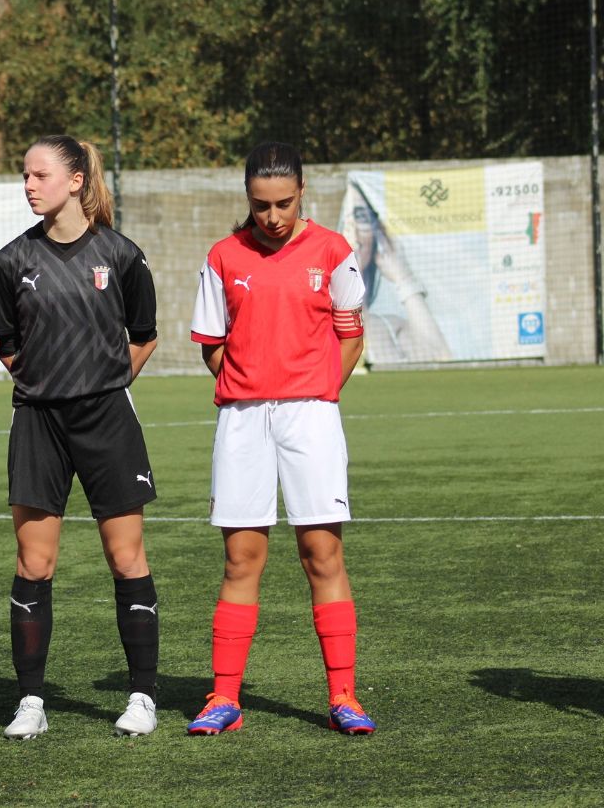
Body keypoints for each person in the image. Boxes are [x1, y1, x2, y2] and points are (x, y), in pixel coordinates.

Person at [186, 141, 376, 736]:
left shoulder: (332, 251)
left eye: (284, 204)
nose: (272, 217)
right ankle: (223, 699)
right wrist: (249, 385)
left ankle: (344, 696)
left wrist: (320, 390)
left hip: (310, 419)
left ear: (302, 195)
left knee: (322, 553)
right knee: (242, 558)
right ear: (248, 199)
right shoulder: (222, 256)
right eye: (261, 205)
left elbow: (351, 332)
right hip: (242, 419)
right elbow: (212, 346)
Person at [0, 135, 161, 740]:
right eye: (25, 175)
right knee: (34, 562)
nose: (29, 184)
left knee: (125, 557)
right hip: (38, 422)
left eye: (40, 175)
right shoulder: (12, 260)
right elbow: (5, 344)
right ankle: (30, 702)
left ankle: (142, 695)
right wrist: (47, 384)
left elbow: (144, 333)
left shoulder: (121, 255)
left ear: (76, 182)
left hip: (108, 419)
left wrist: (104, 384)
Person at [341, 202, 450, 363]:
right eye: (345, 223)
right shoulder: (312, 326)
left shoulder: (391, 327)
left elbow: (441, 358)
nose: (353, 236)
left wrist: (403, 277)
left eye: (362, 219)